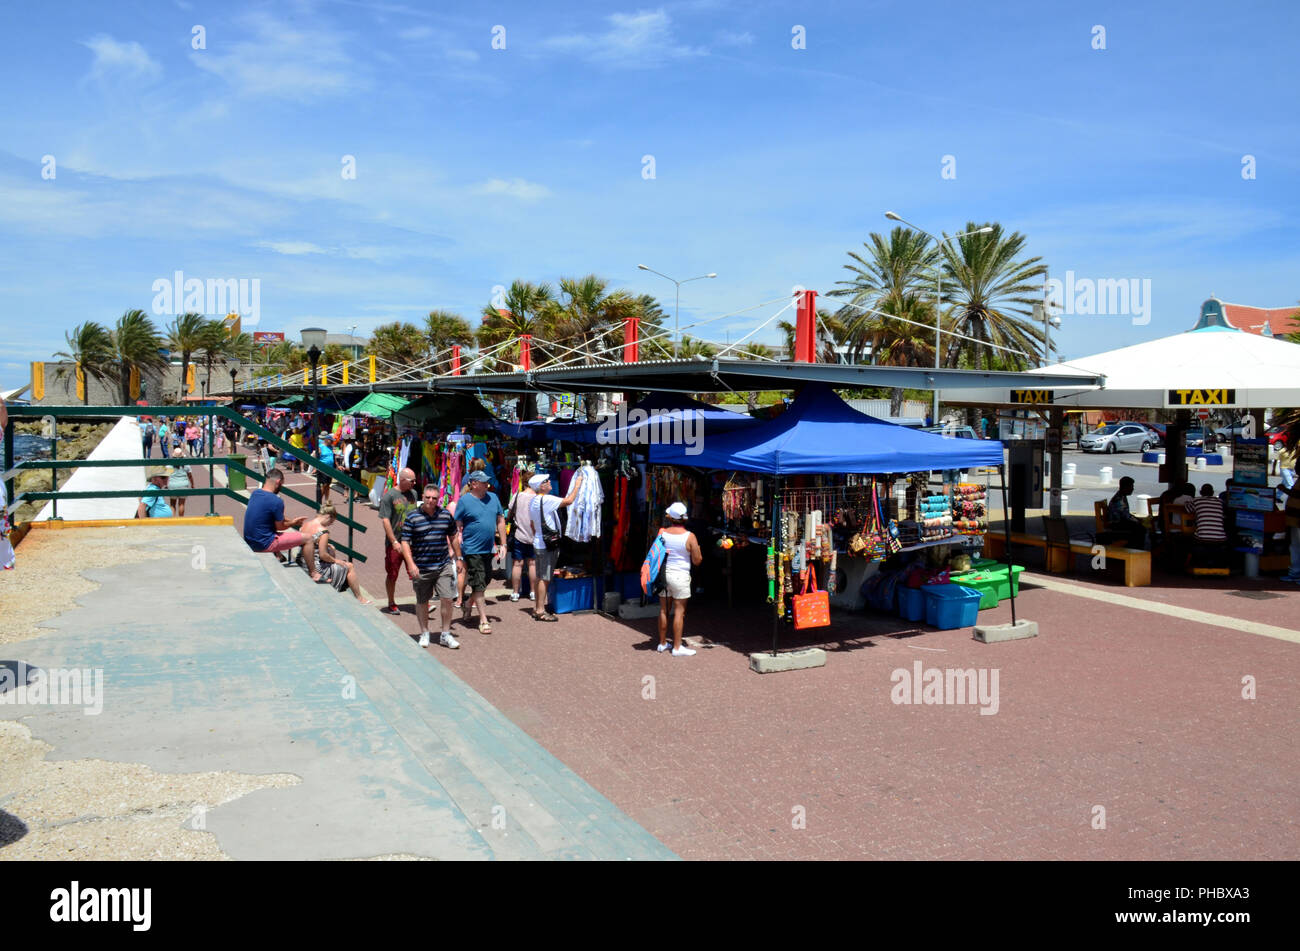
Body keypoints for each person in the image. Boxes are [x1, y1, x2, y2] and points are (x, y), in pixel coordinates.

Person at [401, 483, 463, 649]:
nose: (430, 501)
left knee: (448, 598)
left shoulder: (445, 515)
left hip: (443, 564)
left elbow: (453, 536)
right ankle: (425, 632)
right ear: (423, 498)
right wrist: (411, 564)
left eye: (434, 498)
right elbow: (405, 542)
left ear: (438, 499)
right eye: (427, 497)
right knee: (422, 601)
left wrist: (459, 558)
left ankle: (445, 633)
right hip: (421, 567)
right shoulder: (412, 517)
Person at [456, 470, 507, 633]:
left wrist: (503, 544)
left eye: (487, 482)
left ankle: (468, 603)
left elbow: (500, 520)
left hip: (489, 548)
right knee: (478, 582)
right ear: (474, 484)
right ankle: (483, 619)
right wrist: (456, 544)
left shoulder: (494, 498)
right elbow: (457, 525)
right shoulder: (464, 501)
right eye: (484, 482)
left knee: (486, 580)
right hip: (472, 549)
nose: (488, 484)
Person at [655, 502, 704, 656]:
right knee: (679, 612)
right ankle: (677, 647)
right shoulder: (690, 536)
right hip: (680, 575)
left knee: (664, 610)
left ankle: (662, 643)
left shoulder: (662, 533)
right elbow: (697, 560)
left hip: (664, 574)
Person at [529, 472, 578, 623]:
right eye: (547, 481)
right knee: (545, 578)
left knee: (540, 576)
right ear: (541, 486)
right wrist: (578, 484)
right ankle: (540, 610)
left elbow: (532, 524)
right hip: (546, 545)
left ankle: (537, 607)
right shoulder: (546, 499)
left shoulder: (534, 501)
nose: (550, 482)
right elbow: (569, 501)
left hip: (540, 542)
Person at [301, 502, 371, 602]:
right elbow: (323, 555)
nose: (330, 525)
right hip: (315, 568)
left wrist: (328, 546)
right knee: (349, 566)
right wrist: (336, 560)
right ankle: (360, 598)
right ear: (328, 517)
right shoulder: (323, 531)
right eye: (331, 522)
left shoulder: (306, 524)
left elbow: (311, 543)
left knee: (332, 552)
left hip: (302, 562)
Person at [378, 467, 418, 615]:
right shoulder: (390, 496)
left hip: (412, 542)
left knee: (416, 573)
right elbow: (385, 520)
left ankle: (422, 601)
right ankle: (391, 602)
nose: (415, 483)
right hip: (395, 543)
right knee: (392, 574)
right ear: (402, 480)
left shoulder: (413, 494)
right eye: (412, 480)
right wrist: (394, 541)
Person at [242, 469, 307, 555]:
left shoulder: (255, 493)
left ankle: (278, 556)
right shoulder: (276, 501)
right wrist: (293, 523)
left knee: (268, 528)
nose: (281, 487)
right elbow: (280, 527)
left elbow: (275, 516)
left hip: (250, 541)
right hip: (263, 544)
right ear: (278, 482)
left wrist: (291, 521)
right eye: (281, 484)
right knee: (308, 538)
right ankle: (312, 569)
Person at [508, 472, 540, 602]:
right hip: (534, 535)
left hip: (519, 534)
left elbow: (509, 513)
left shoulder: (517, 496)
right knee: (532, 564)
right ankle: (533, 591)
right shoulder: (538, 497)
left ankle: (515, 592)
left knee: (517, 564)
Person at [1106, 476, 1146, 548]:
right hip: (1116, 524)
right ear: (1125, 487)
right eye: (1131, 487)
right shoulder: (1119, 500)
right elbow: (1126, 516)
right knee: (1140, 529)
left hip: (1120, 522)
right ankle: (1137, 550)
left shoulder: (1122, 496)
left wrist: (1137, 519)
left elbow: (1126, 514)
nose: (1133, 489)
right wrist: (1138, 521)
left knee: (1139, 527)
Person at [1282, 473, 1300, 583]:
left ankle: (1296, 573)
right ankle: (1295, 573)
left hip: (1298, 519)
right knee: (1295, 547)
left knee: (1296, 547)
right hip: (1294, 519)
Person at [315, 433, 335, 505]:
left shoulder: (331, 447)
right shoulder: (320, 447)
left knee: (328, 485)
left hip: (330, 468)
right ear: (326, 440)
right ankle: (319, 499)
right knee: (324, 484)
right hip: (323, 468)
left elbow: (333, 457)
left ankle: (327, 500)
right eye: (331, 440)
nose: (332, 442)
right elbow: (316, 456)